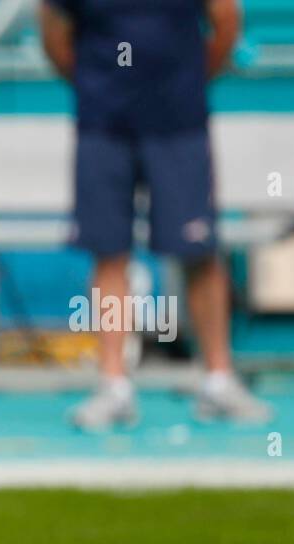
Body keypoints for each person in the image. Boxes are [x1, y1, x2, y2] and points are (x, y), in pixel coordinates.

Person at [41, 0, 272, 429]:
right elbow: (53, 36)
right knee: (108, 253)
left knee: (199, 252)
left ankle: (219, 381)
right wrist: (98, 87)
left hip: (178, 126)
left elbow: (225, 21)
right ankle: (113, 387)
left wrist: (186, 85)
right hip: (103, 127)